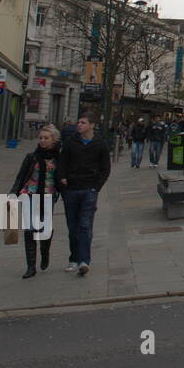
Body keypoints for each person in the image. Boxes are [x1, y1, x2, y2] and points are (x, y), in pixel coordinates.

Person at [55, 115, 111, 277]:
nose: (78, 125)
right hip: (71, 189)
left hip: (89, 190)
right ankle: (74, 258)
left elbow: (105, 168)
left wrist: (96, 187)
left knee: (85, 226)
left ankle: (84, 261)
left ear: (91, 125)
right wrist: (63, 180)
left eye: (83, 122)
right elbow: (62, 163)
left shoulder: (100, 144)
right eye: (78, 122)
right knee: (73, 227)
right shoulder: (70, 143)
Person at [9, 124, 62, 278]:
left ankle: (45, 253)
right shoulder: (31, 157)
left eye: (46, 138)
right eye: (41, 138)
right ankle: (31, 266)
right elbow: (20, 177)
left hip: (47, 196)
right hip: (29, 194)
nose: (43, 141)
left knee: (45, 229)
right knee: (30, 229)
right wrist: (13, 194)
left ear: (54, 140)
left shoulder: (59, 158)